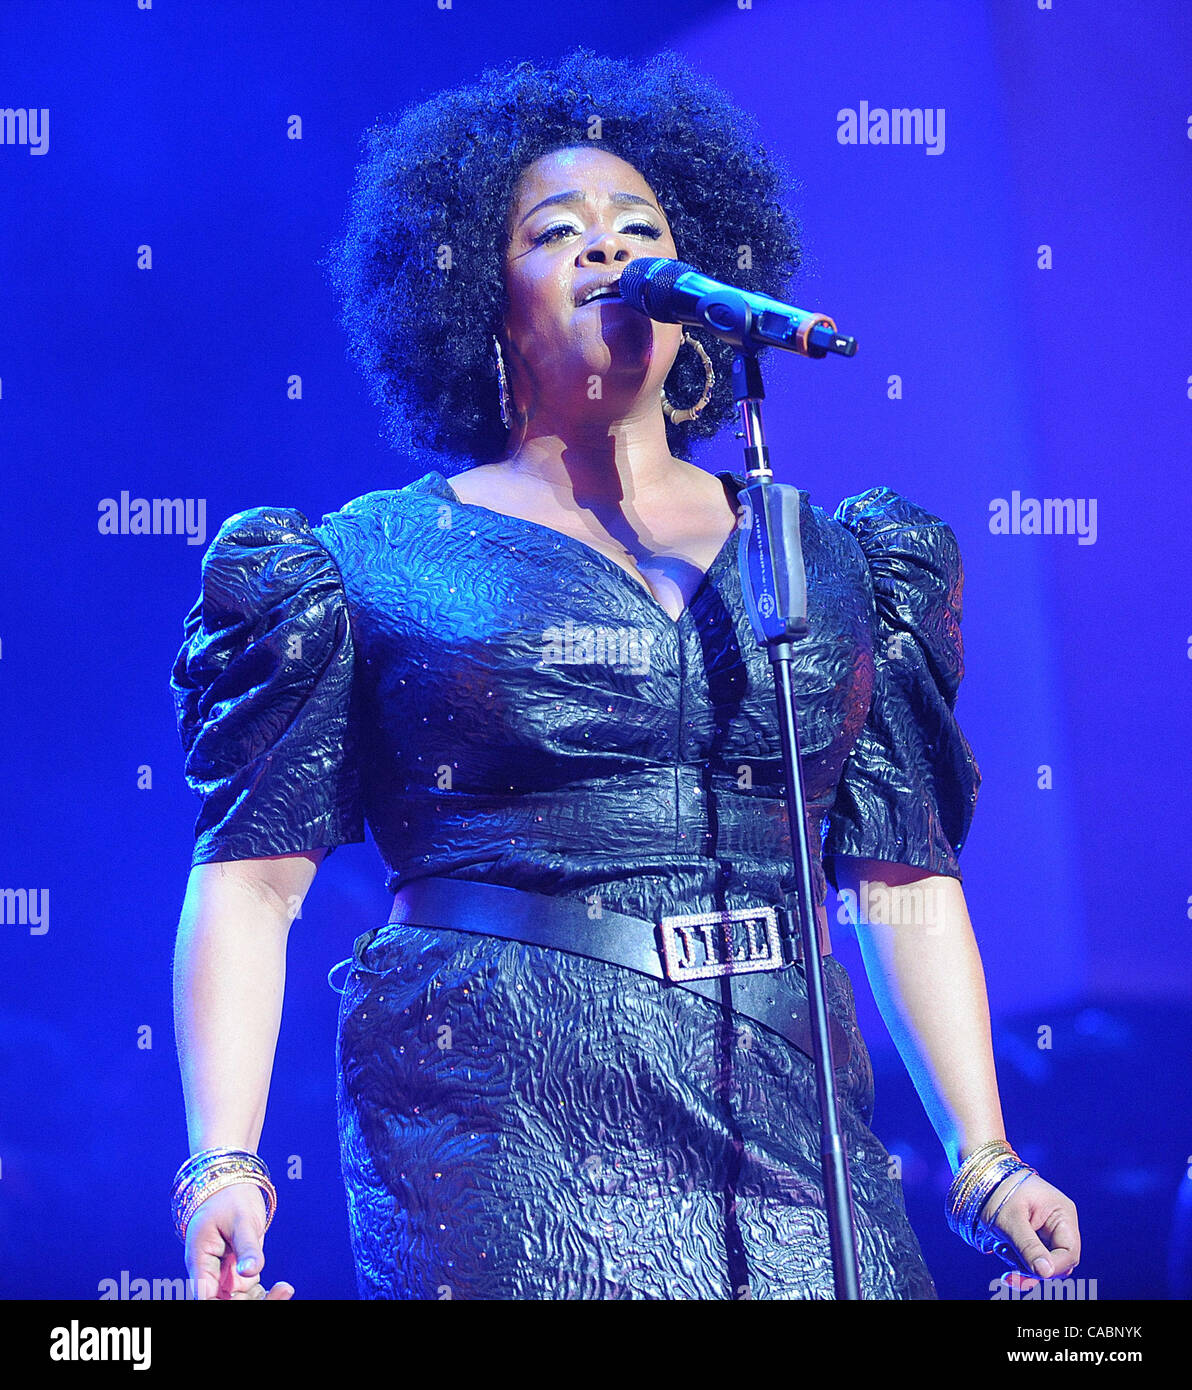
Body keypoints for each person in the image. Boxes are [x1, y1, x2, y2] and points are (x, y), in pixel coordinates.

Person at [169, 48, 1080, 1300]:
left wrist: (982, 1157)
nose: (608, 248)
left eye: (638, 228)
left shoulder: (827, 558)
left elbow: (900, 877)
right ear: (480, 299)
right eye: (559, 232)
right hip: (504, 1117)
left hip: (782, 1097)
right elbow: (251, 887)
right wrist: (223, 1162)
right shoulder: (373, 562)